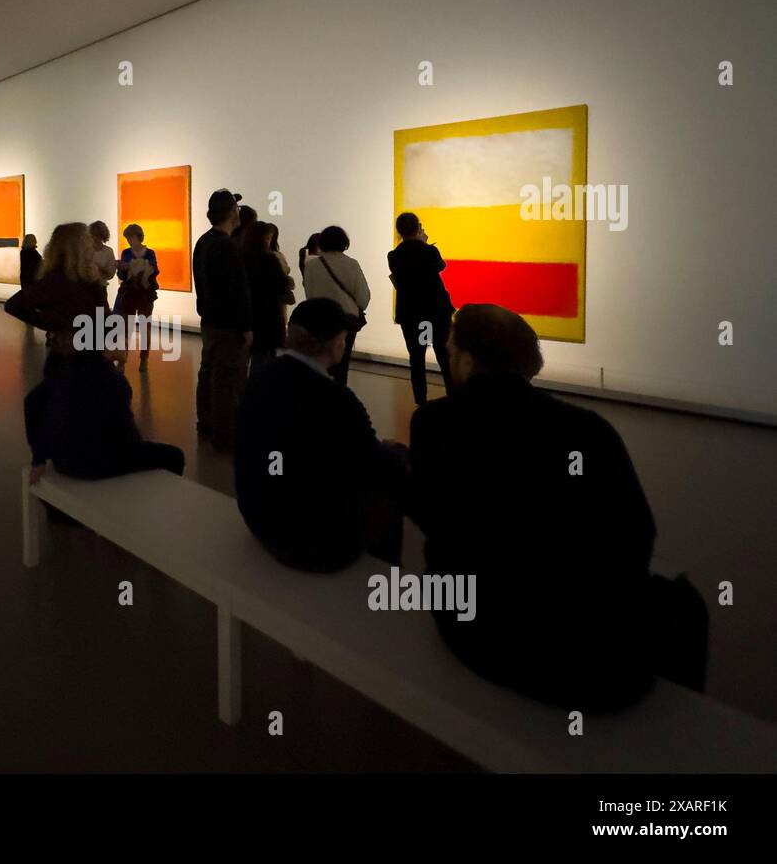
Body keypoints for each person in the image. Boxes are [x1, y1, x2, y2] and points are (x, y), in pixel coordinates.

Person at [409, 304, 705, 710]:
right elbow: (636, 536)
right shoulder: (587, 429)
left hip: (469, 628)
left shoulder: (433, 423)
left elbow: (435, 518)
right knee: (684, 605)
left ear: (466, 358)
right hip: (585, 663)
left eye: (450, 346)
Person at [236, 298, 406, 570]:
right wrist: (395, 453)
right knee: (389, 483)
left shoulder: (260, 378)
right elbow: (375, 467)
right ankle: (380, 580)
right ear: (336, 343)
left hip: (258, 515)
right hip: (311, 543)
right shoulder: (337, 399)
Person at [25, 347, 184, 483]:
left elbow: (31, 402)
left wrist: (39, 458)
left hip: (62, 459)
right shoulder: (115, 380)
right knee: (175, 456)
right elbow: (126, 434)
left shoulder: (69, 367)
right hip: (97, 463)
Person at [4, 222, 108, 373]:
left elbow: (102, 313)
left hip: (92, 356)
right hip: (68, 362)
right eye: (87, 240)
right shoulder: (58, 279)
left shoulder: (89, 278)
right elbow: (14, 305)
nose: (91, 244)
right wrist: (55, 323)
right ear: (76, 247)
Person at [192, 189, 251, 452]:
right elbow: (236, 291)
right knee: (228, 379)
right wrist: (246, 326)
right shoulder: (227, 246)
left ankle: (207, 424)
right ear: (231, 212)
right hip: (228, 325)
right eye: (236, 208)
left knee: (209, 372)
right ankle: (225, 435)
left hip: (210, 321)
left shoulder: (204, 242)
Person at [388, 211, 455, 405]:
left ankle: (421, 401)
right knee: (444, 356)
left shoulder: (394, 256)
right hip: (436, 313)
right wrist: (423, 243)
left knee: (417, 358)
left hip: (412, 315)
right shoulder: (429, 251)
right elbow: (440, 266)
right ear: (418, 228)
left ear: (399, 231)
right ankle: (454, 397)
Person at [303, 225, 369, 385]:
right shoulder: (352, 264)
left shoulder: (312, 265)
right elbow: (363, 298)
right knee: (342, 366)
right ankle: (338, 402)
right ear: (344, 243)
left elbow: (309, 295)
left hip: (319, 319)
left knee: (320, 363)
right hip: (346, 320)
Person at [242, 221, 294, 375]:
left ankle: (246, 393)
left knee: (245, 362)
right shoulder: (269, 260)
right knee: (262, 361)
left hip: (247, 317)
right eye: (267, 238)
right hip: (267, 318)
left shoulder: (240, 259)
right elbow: (282, 284)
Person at [113, 223, 159, 372]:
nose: (128, 240)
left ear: (138, 236)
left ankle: (144, 359)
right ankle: (122, 359)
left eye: (130, 237)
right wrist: (123, 269)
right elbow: (122, 274)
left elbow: (154, 270)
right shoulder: (126, 252)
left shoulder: (150, 252)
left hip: (145, 294)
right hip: (130, 293)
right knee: (126, 327)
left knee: (145, 327)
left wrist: (134, 267)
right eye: (127, 237)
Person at [87, 221, 118, 286]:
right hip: (84, 286)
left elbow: (111, 274)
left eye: (97, 236)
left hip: (101, 286)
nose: (95, 238)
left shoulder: (108, 251)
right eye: (93, 235)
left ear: (102, 236)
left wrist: (99, 269)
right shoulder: (85, 250)